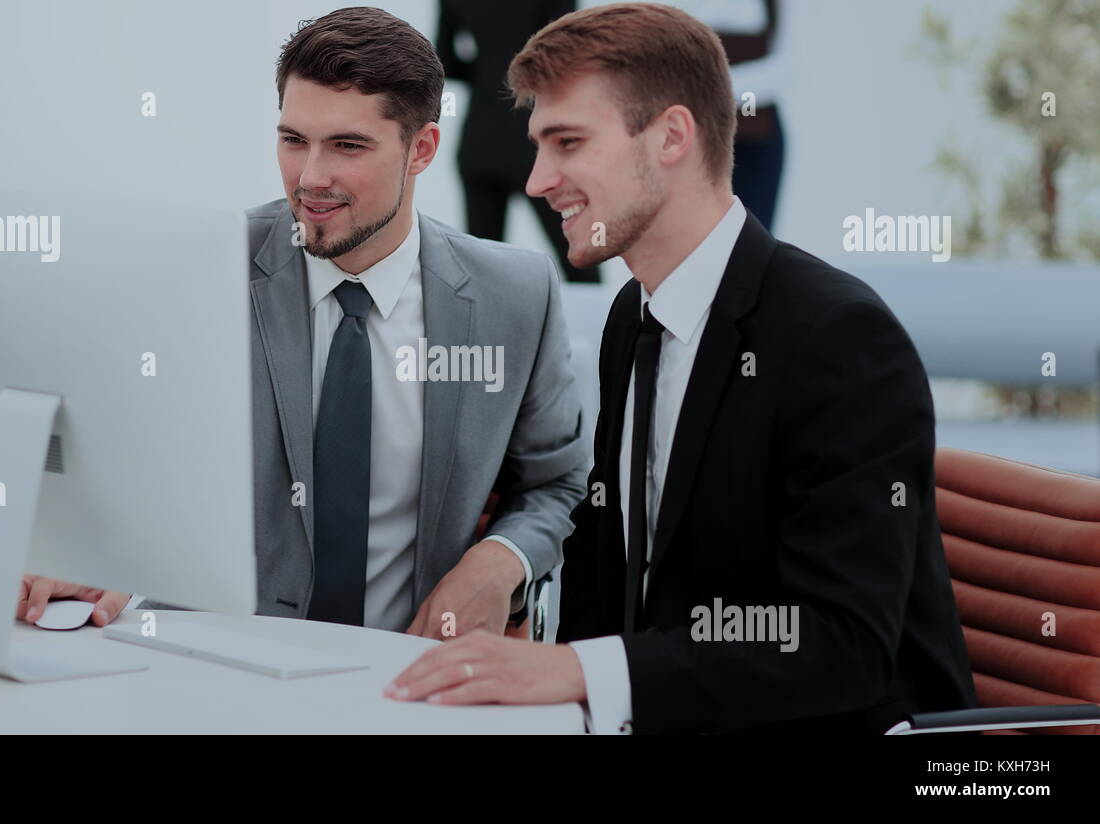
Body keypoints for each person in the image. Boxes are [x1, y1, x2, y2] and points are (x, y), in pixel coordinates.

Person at [386, 2, 976, 732]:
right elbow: (613, 585)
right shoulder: (633, 318)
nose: (537, 180)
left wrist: (576, 672)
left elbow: (841, 644)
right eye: (538, 146)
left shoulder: (841, 339)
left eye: (567, 142)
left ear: (670, 136)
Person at [16, 7, 587, 638]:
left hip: (410, 679)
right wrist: (93, 553)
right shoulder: (198, 268)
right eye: (293, 140)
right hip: (215, 666)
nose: (311, 178)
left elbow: (555, 483)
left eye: (347, 145)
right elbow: (125, 469)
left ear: (421, 149)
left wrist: (499, 563)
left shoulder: (516, 294)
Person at [436, 0, 599, 283]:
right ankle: (605, 326)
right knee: (580, 257)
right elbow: (573, 52)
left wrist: (488, 72)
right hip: (538, 139)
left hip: (480, 138)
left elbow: (445, 60)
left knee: (480, 269)